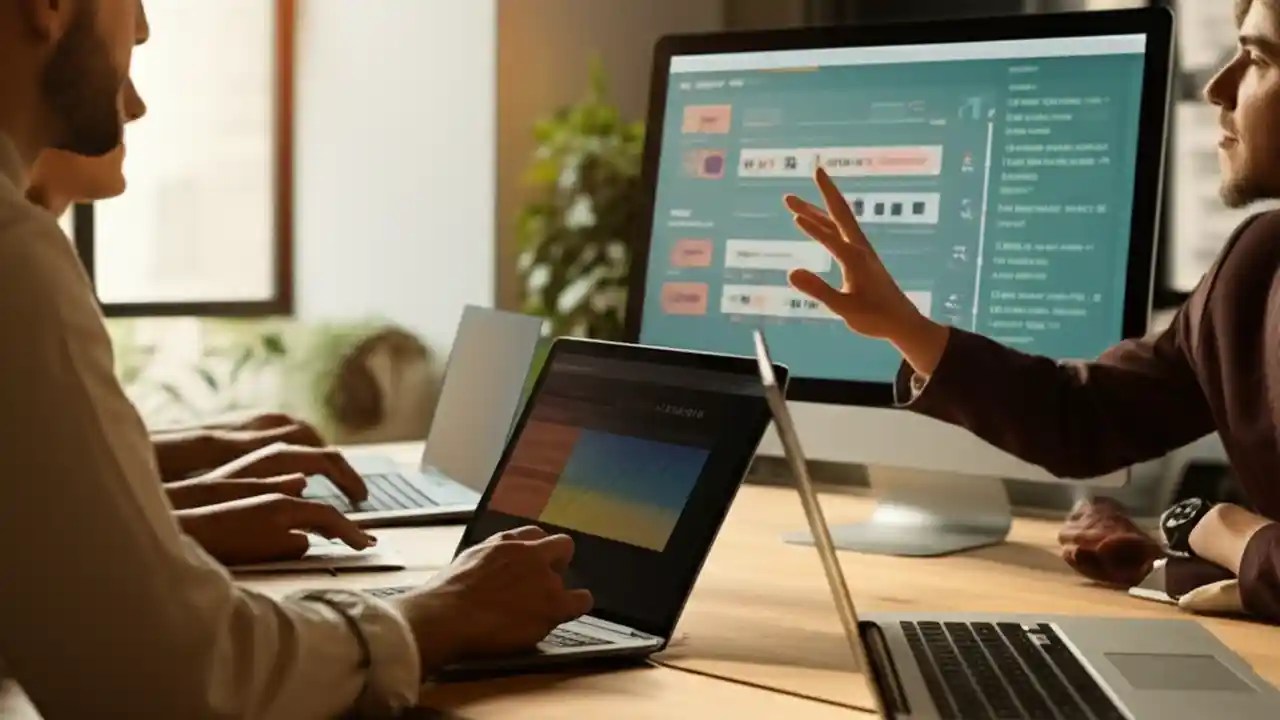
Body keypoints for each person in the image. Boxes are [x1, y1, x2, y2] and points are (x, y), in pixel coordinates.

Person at [0, 2, 592, 717]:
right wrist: (436, 612)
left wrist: (159, 526)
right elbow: (179, 682)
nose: (147, 27)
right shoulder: (14, 259)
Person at [783, 0, 1280, 622]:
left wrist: (1227, 531)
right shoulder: (1255, 266)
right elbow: (1088, 417)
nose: (1218, 87)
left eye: (1258, 57)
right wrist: (906, 327)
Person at [26, 78, 385, 565]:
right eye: (114, 77)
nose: (135, 106)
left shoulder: (37, 254)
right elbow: (52, 540)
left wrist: (215, 449)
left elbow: (54, 490)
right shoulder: (23, 269)